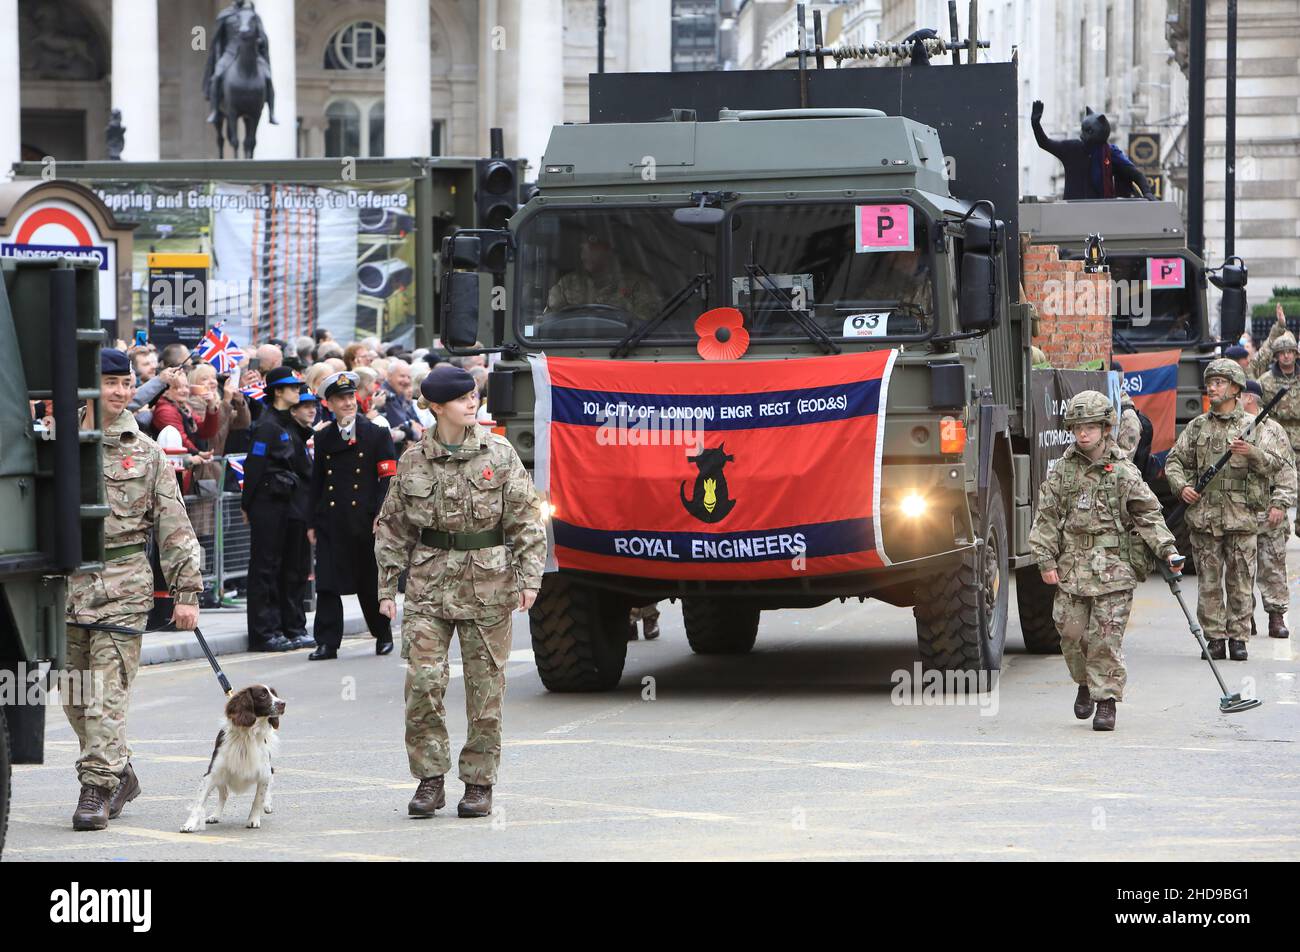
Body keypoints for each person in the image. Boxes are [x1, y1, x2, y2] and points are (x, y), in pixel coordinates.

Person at [375, 364, 546, 818]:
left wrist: (530, 577)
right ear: (436, 407)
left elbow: (526, 520)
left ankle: (478, 782)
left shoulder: (499, 453)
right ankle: (430, 780)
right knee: (424, 683)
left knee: (484, 689)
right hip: (428, 584)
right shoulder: (413, 459)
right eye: (463, 398)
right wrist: (387, 586)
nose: (473, 402)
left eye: (474, 395)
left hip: (488, 584)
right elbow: (392, 528)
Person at [64, 348, 204, 830]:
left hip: (123, 586)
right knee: (75, 698)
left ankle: (96, 789)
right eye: (109, 382)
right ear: (87, 387)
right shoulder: (59, 442)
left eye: (126, 383)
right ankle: (121, 771)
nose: (121, 392)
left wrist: (187, 592)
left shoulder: (144, 452)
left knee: (105, 695)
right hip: (65, 590)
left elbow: (174, 525)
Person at [1027, 390, 1180, 731]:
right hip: (1073, 566)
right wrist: (1045, 559)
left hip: (1115, 567)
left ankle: (1106, 700)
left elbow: (1147, 514)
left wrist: (1168, 549)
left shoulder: (1123, 470)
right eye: (1078, 427)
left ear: (1105, 428)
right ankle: (1085, 682)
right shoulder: (1063, 471)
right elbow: (1047, 517)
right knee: (1070, 632)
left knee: (1105, 637)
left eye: (1090, 427)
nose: (1083, 433)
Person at [1165, 359, 1290, 662]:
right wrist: (1182, 487)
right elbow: (1174, 462)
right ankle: (1215, 638)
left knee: (1241, 581)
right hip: (1205, 519)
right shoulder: (1197, 427)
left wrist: (1253, 453)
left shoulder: (1254, 427)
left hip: (1243, 518)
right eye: (1210, 382)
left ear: (1235, 388)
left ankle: (1238, 637)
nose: (1212, 387)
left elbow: (1277, 464)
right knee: (1208, 582)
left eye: (1220, 382)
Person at [308, 371, 398, 660]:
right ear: (329, 404)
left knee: (368, 580)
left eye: (350, 397)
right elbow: (318, 481)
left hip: (365, 518)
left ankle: (382, 634)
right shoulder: (323, 437)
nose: (348, 403)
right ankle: (327, 642)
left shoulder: (376, 433)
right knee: (327, 583)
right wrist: (312, 520)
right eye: (340, 399)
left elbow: (388, 478)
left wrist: (381, 513)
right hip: (332, 520)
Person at [241, 366, 314, 652]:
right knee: (265, 569)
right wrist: (247, 504)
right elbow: (254, 466)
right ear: (278, 392)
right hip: (267, 504)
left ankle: (287, 627)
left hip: (286, 503)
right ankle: (264, 632)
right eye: (293, 388)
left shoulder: (286, 424)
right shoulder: (268, 425)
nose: (298, 391)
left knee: (287, 568)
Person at [1241, 379, 1296, 639]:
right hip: (1238, 509)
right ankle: (1244, 617)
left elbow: (1286, 469)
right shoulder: (1233, 427)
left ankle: (1276, 616)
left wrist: (1280, 504)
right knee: (1239, 567)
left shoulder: (1273, 431)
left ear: (1249, 398)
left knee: (1272, 565)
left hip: (1268, 507)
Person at [1030, 100, 1154, 200]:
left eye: (1088, 131)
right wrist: (1036, 125)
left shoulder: (1111, 153)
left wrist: (1147, 193)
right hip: (1073, 213)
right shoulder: (1072, 149)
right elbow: (1045, 143)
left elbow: (1136, 175)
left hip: (1102, 213)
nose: (1082, 135)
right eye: (1082, 130)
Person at [546, 234, 661, 322]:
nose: (585, 252)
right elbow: (550, 321)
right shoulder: (567, 283)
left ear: (609, 250)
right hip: (575, 346)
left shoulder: (636, 283)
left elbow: (646, 324)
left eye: (592, 247)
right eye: (582, 248)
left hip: (622, 347)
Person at [382, 359, 424, 445]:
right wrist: (411, 424)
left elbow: (419, 424)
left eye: (408, 377)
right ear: (389, 375)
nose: (406, 381)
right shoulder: (384, 395)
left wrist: (413, 424)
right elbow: (400, 423)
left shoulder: (400, 393)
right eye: (402, 376)